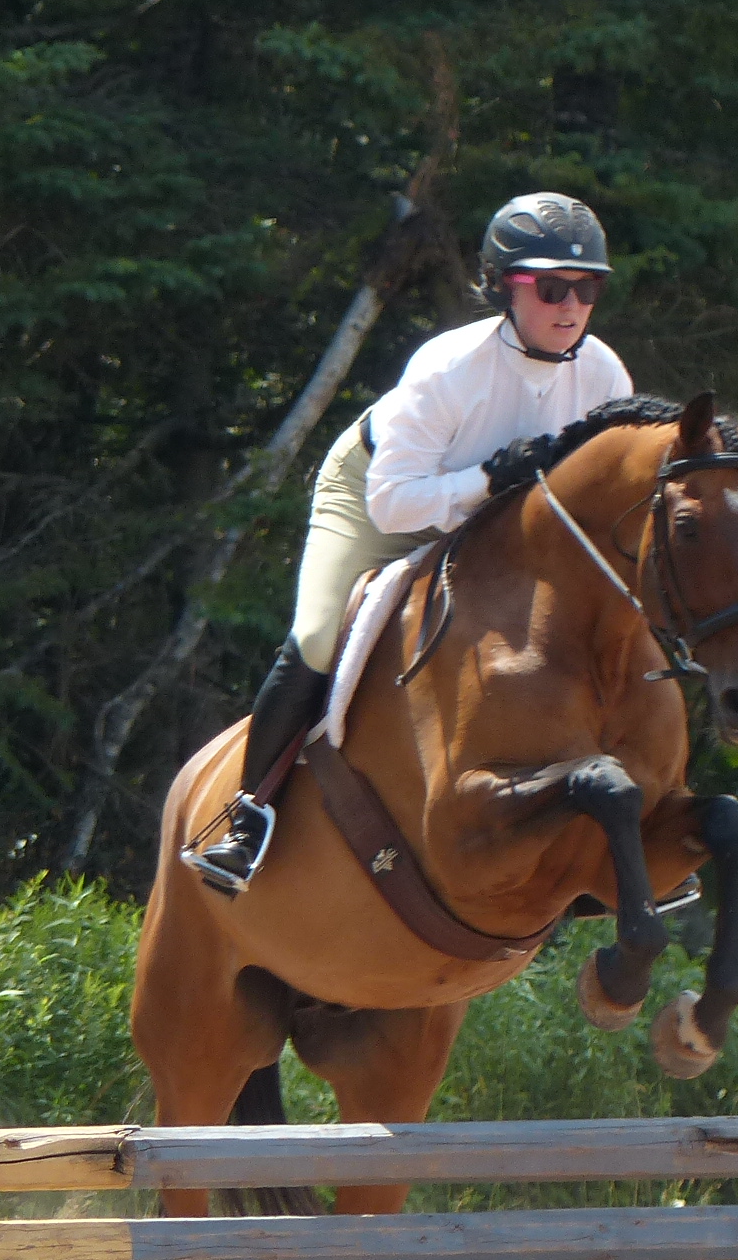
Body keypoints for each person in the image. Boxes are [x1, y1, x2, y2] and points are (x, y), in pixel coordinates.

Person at [183, 192, 635, 891]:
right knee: (317, 636)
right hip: (375, 496)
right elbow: (394, 504)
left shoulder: (603, 374)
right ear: (503, 290)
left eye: (588, 288)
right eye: (551, 287)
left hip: (491, 514)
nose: (571, 305)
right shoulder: (449, 367)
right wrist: (488, 478)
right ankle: (248, 822)